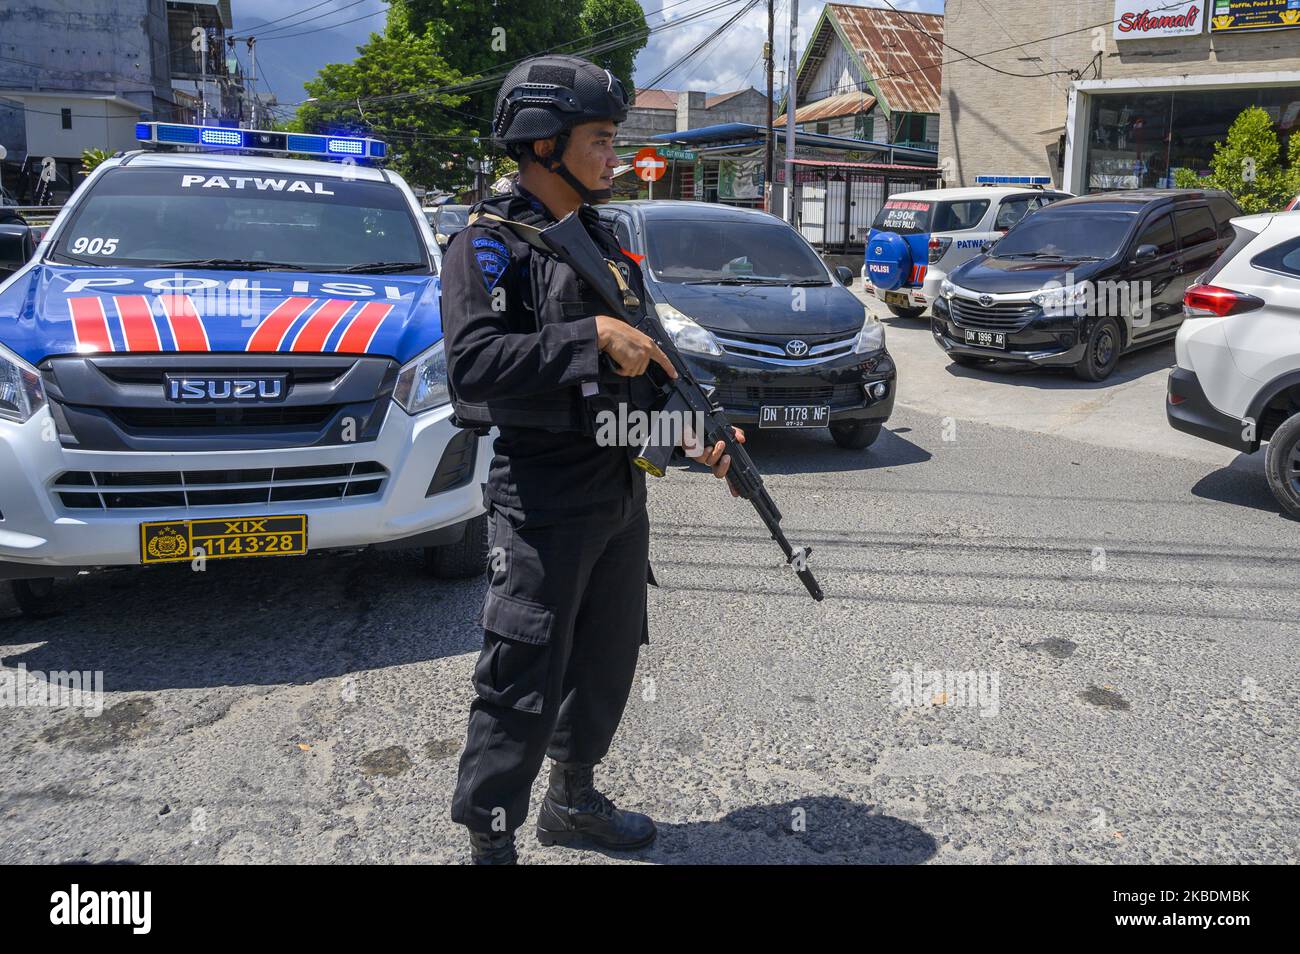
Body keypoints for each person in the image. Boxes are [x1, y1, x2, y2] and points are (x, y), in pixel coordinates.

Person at [441, 54, 743, 864]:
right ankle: (490, 840)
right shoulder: (489, 245)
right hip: (539, 495)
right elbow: (471, 364)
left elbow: (655, 354)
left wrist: (702, 429)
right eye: (603, 140)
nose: (617, 157)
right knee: (523, 671)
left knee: (608, 654)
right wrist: (589, 337)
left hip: (619, 484)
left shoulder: (601, 238)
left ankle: (572, 801)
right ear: (543, 144)